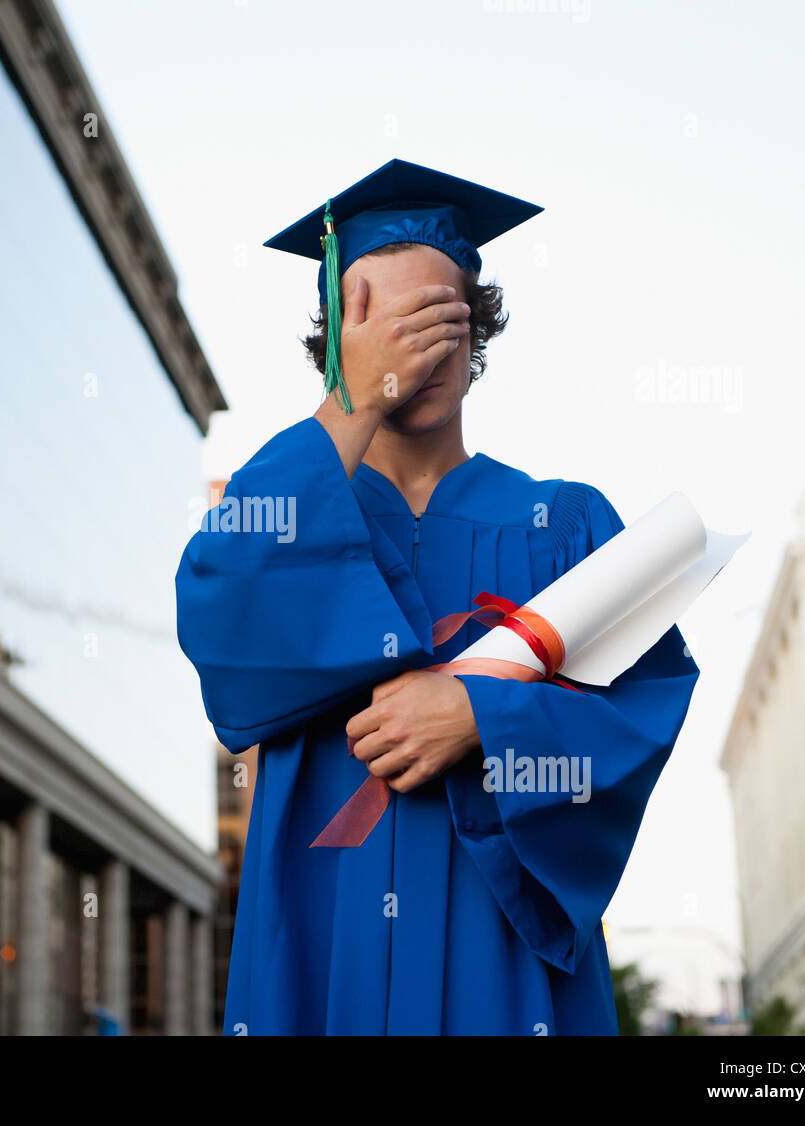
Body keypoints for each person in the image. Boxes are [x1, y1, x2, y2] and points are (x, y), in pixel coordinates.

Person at [175, 159, 700, 1035]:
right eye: (382, 321)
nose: (415, 347)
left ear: (476, 331)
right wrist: (353, 401)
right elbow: (217, 612)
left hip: (504, 954)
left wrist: (482, 717)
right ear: (339, 339)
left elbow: (644, 707)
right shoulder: (285, 510)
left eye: (439, 317)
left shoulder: (563, 524)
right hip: (321, 930)